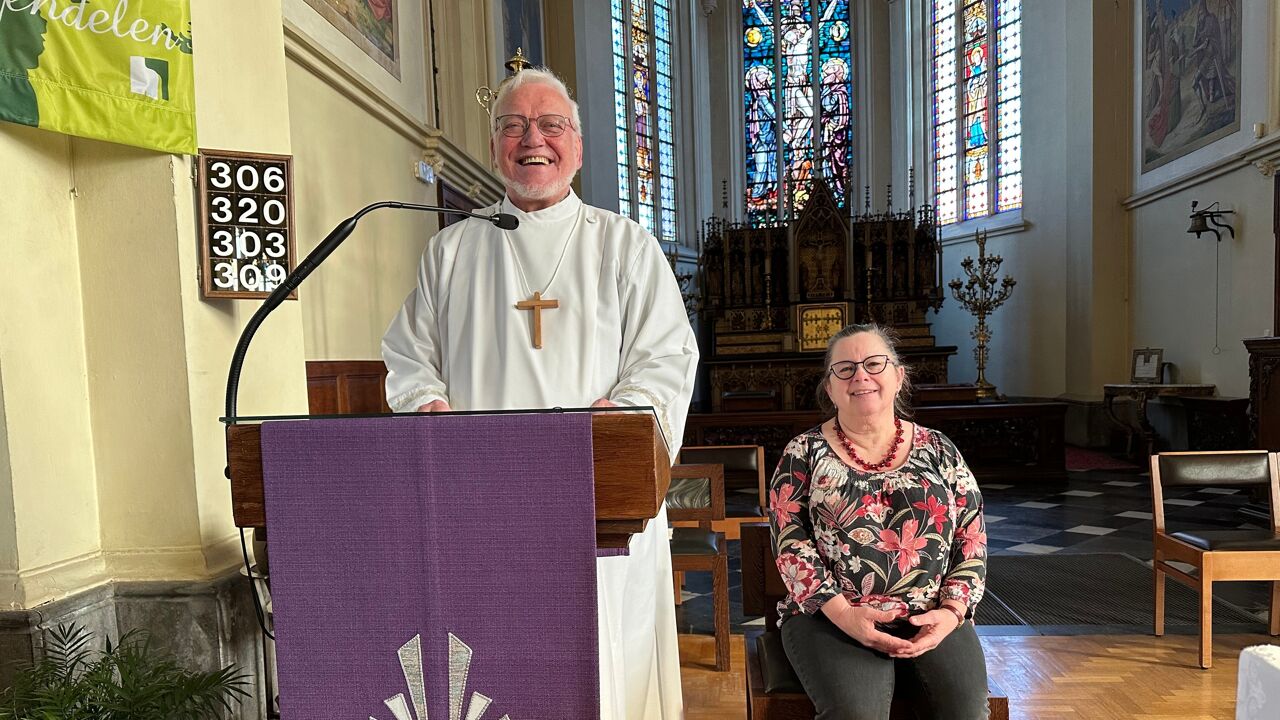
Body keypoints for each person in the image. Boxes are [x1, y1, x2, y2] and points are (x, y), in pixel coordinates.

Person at [381, 66, 697, 719]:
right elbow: (408, 356)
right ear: (496, 145)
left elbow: (667, 357)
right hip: (481, 503)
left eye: (551, 124)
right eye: (513, 126)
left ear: (577, 147)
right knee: (496, 665)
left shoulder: (624, 246)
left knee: (601, 668)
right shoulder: (450, 251)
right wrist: (426, 404)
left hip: (595, 499)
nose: (534, 140)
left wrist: (623, 416)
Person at [768, 323, 989, 720]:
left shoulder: (940, 449)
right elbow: (791, 545)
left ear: (898, 376)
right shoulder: (802, 453)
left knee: (966, 713)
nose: (861, 376)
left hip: (931, 610)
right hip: (830, 616)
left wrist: (952, 612)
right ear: (830, 387)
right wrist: (844, 614)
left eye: (874, 363)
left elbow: (971, 536)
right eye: (845, 369)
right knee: (856, 714)